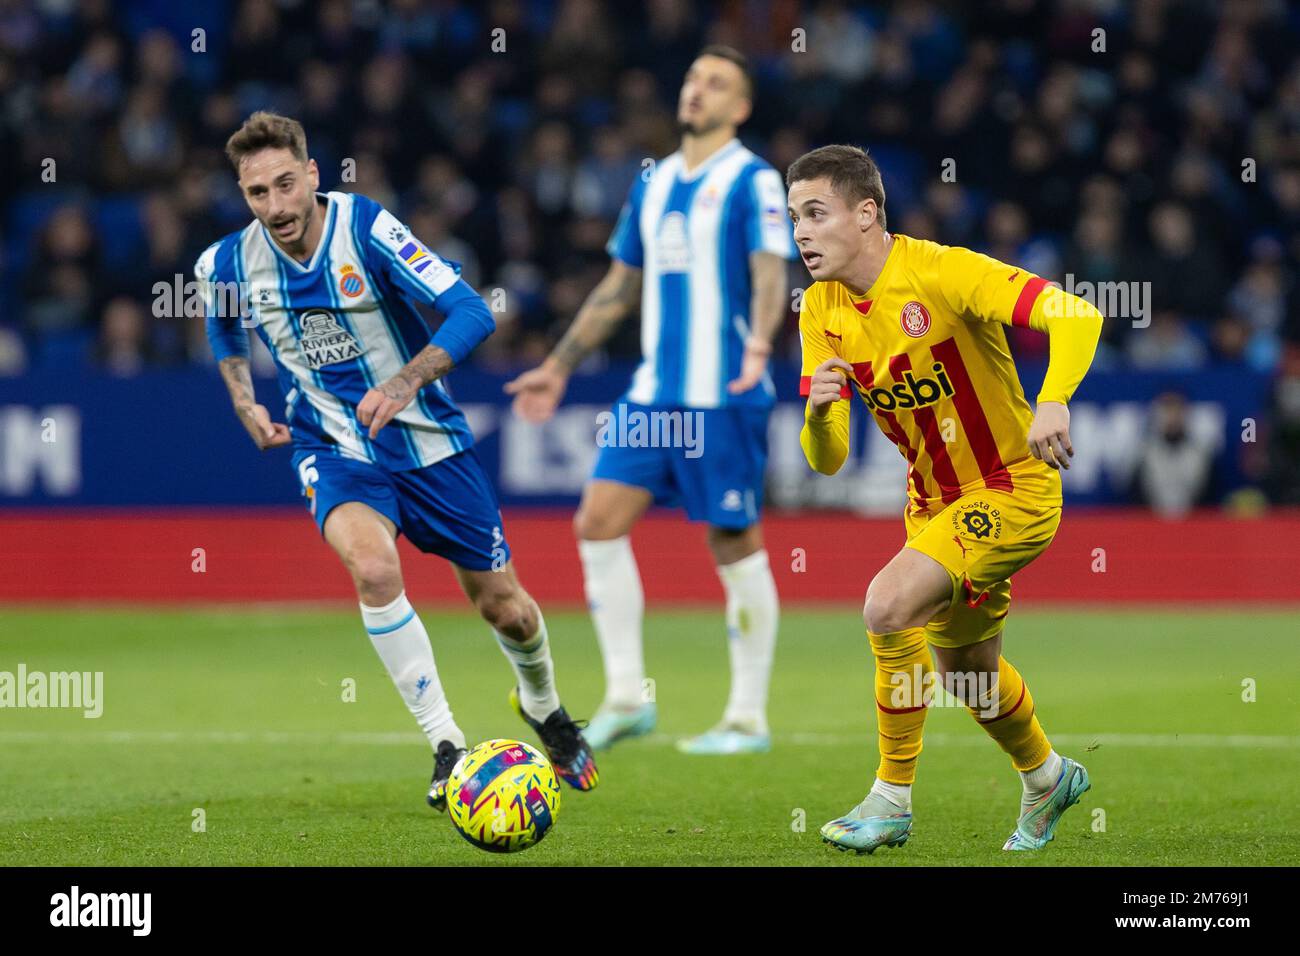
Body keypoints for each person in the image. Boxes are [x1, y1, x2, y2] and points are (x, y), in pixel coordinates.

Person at [197, 111, 598, 811]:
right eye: (257, 193)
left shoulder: (365, 228)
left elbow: (472, 311)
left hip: (429, 442)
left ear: (312, 174)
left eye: (286, 185)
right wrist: (242, 398)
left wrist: (404, 381)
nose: (275, 206)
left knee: (508, 610)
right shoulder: (226, 263)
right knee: (375, 568)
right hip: (332, 444)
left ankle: (547, 711)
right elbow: (223, 324)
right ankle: (446, 746)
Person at [788, 144, 1103, 852]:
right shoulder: (819, 309)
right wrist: (816, 413)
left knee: (886, 603)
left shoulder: (942, 270)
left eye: (816, 214)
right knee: (970, 677)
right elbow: (829, 461)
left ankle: (890, 800)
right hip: (935, 506)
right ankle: (1049, 775)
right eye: (793, 219)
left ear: (866, 214)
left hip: (1012, 486)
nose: (801, 234)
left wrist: (1052, 400)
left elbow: (1076, 315)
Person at [505, 46, 796, 755]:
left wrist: (762, 343)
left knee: (733, 543)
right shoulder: (656, 182)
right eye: (694, 77)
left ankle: (747, 717)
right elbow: (616, 288)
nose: (698, 90)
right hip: (652, 398)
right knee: (597, 521)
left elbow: (769, 272)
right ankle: (628, 696)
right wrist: (557, 366)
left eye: (718, 82)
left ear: (741, 106)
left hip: (722, 393)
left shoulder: (752, 180)